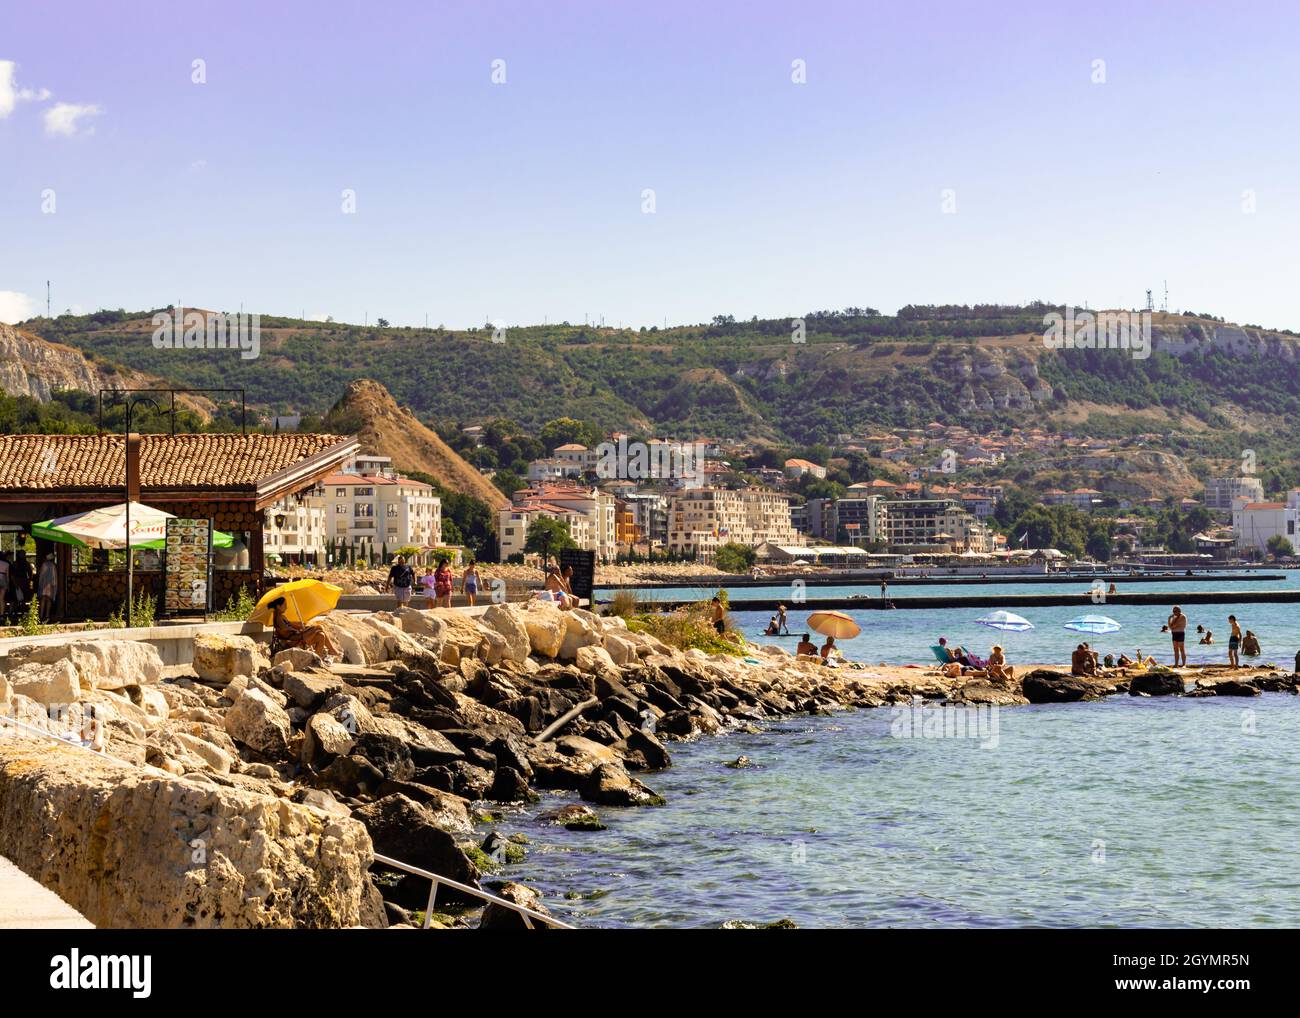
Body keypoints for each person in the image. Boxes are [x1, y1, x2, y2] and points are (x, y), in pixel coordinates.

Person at [268, 596, 340, 661]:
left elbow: (290, 624)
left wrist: (300, 624)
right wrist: (298, 630)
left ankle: (316, 660)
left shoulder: (282, 616)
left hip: (297, 636)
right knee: (319, 627)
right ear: (278, 606)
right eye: (284, 605)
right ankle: (332, 650)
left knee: (321, 636)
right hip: (293, 640)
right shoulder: (278, 618)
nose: (286, 607)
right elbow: (284, 629)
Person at [37, 552, 57, 623]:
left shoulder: (44, 565)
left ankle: (41, 615)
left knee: (43, 599)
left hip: (44, 584)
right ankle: (47, 615)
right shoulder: (53, 566)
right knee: (49, 600)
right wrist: (54, 585)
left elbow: (41, 575)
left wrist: (40, 584)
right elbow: (54, 577)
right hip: (50, 585)